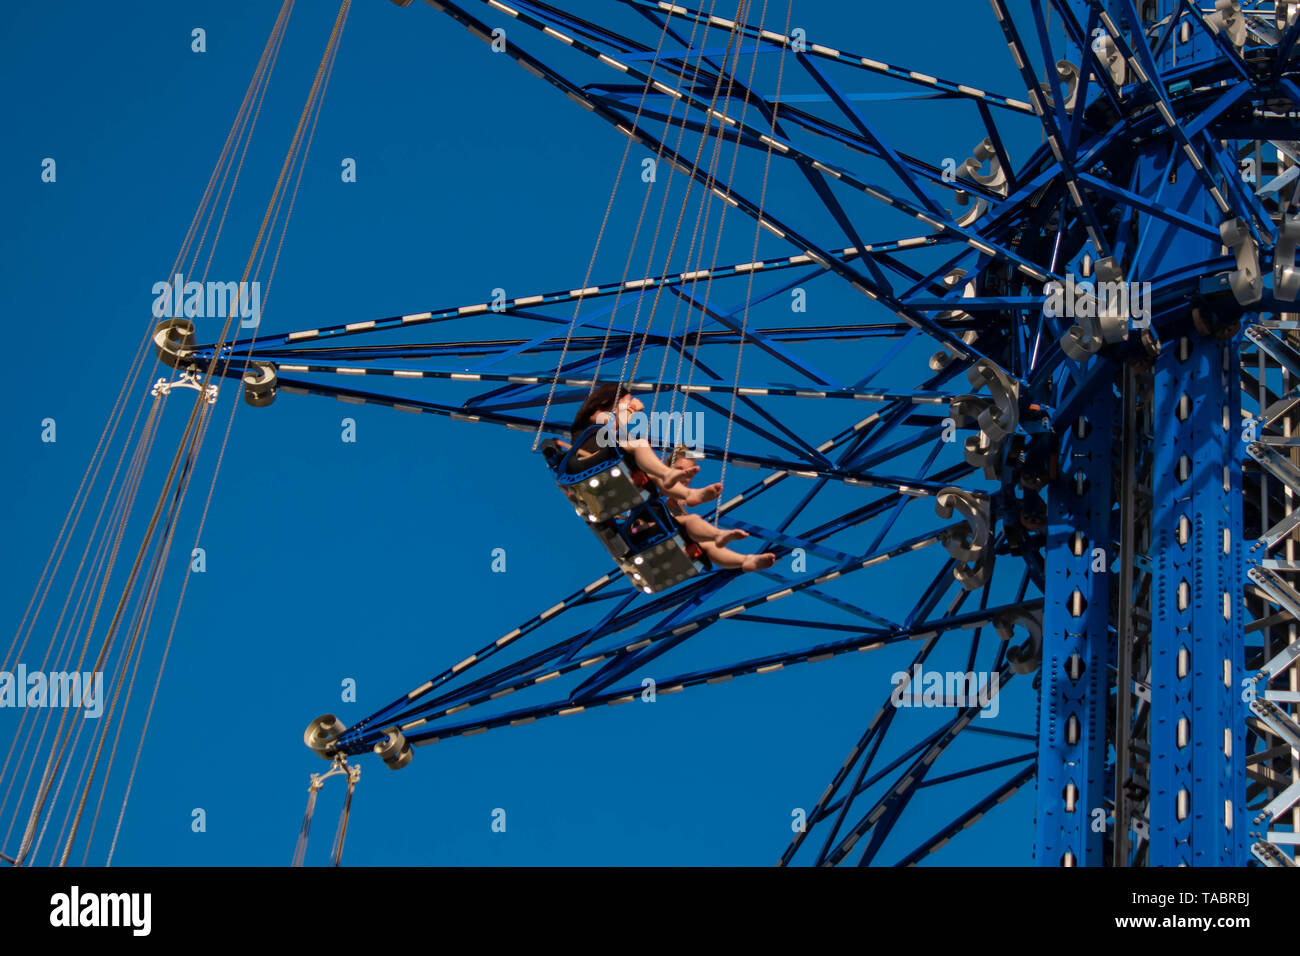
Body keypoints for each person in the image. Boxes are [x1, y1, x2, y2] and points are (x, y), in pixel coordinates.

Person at [570, 384, 720, 507]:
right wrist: (632, 409)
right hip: (587, 460)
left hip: (605, 463)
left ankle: (690, 494)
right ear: (611, 400)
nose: (629, 404)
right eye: (626, 401)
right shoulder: (594, 415)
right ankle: (668, 475)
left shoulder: (613, 435)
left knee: (652, 472)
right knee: (640, 444)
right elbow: (616, 423)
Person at [663, 445, 776, 573]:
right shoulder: (656, 490)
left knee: (708, 543)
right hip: (644, 536)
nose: (684, 476)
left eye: (689, 474)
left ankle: (746, 560)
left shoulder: (680, 508)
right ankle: (718, 534)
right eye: (680, 469)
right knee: (693, 519)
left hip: (671, 552)